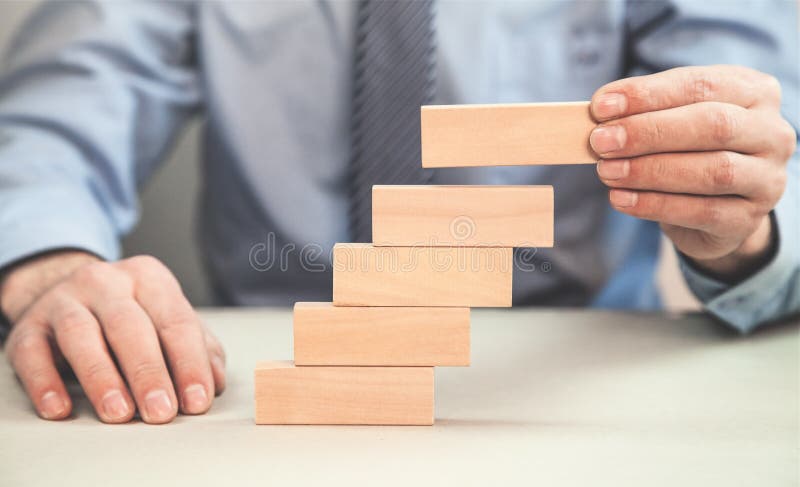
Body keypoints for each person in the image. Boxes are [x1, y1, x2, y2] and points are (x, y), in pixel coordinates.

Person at [0, 1, 796, 425]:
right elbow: (55, 118)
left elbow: (770, 133)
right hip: (255, 370)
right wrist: (53, 262)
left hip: (581, 371)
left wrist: (744, 229)